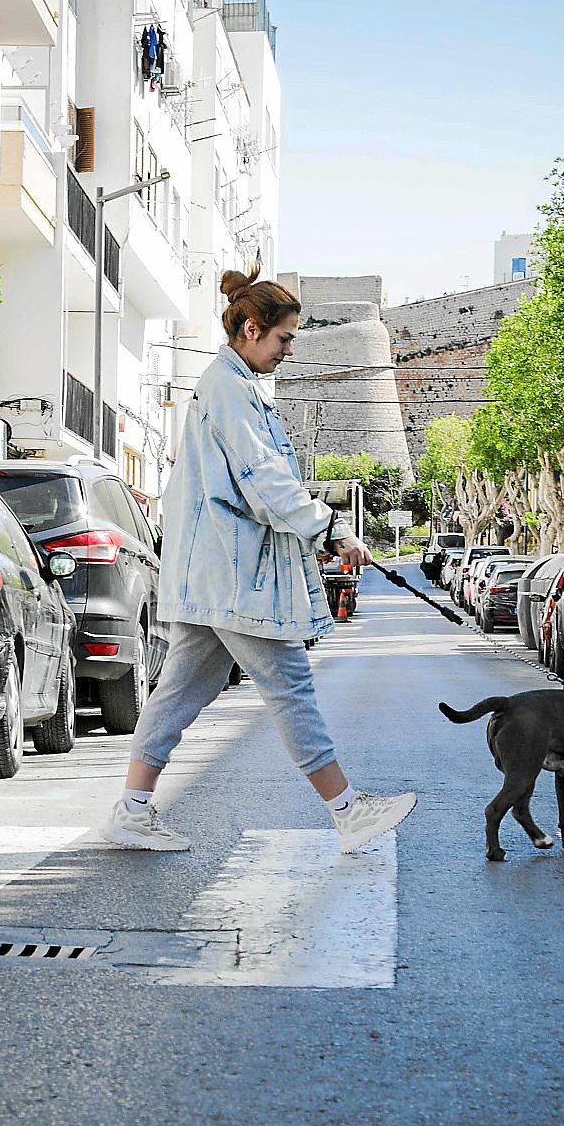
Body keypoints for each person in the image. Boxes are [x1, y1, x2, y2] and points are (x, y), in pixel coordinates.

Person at [102, 268, 417, 854]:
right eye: (283, 339)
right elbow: (261, 477)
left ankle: (133, 809)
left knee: (177, 693)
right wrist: (330, 530)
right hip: (233, 574)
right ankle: (348, 810)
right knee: (289, 685)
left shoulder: (235, 385)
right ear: (252, 329)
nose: (290, 350)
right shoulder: (227, 387)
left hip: (219, 571)